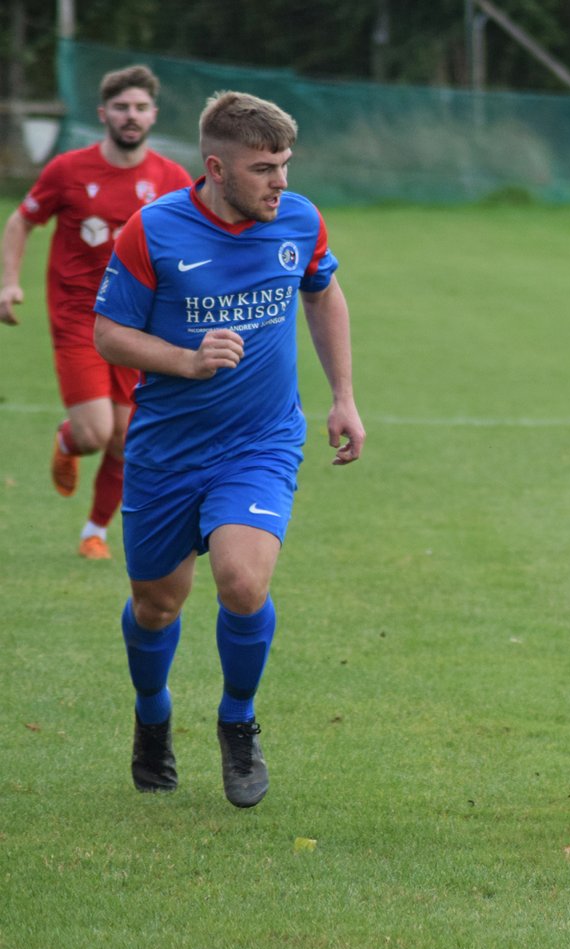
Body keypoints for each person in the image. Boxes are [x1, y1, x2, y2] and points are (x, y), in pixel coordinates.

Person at [93, 91, 365, 808]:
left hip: (261, 441)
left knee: (244, 582)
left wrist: (343, 395)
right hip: (167, 450)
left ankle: (238, 722)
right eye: (263, 168)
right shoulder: (152, 232)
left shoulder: (300, 220)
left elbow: (323, 293)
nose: (281, 182)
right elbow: (109, 335)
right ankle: (152, 717)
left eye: (285, 164)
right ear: (215, 168)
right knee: (158, 604)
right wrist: (185, 359)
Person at [1, 65, 192, 559]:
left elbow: (186, 245)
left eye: (141, 108)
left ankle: (95, 532)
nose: (132, 117)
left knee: (129, 437)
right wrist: (8, 283)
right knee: (94, 433)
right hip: (78, 317)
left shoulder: (171, 179)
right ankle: (68, 442)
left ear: (154, 115)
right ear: (104, 113)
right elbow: (21, 222)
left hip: (136, 322)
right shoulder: (68, 170)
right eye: (123, 107)